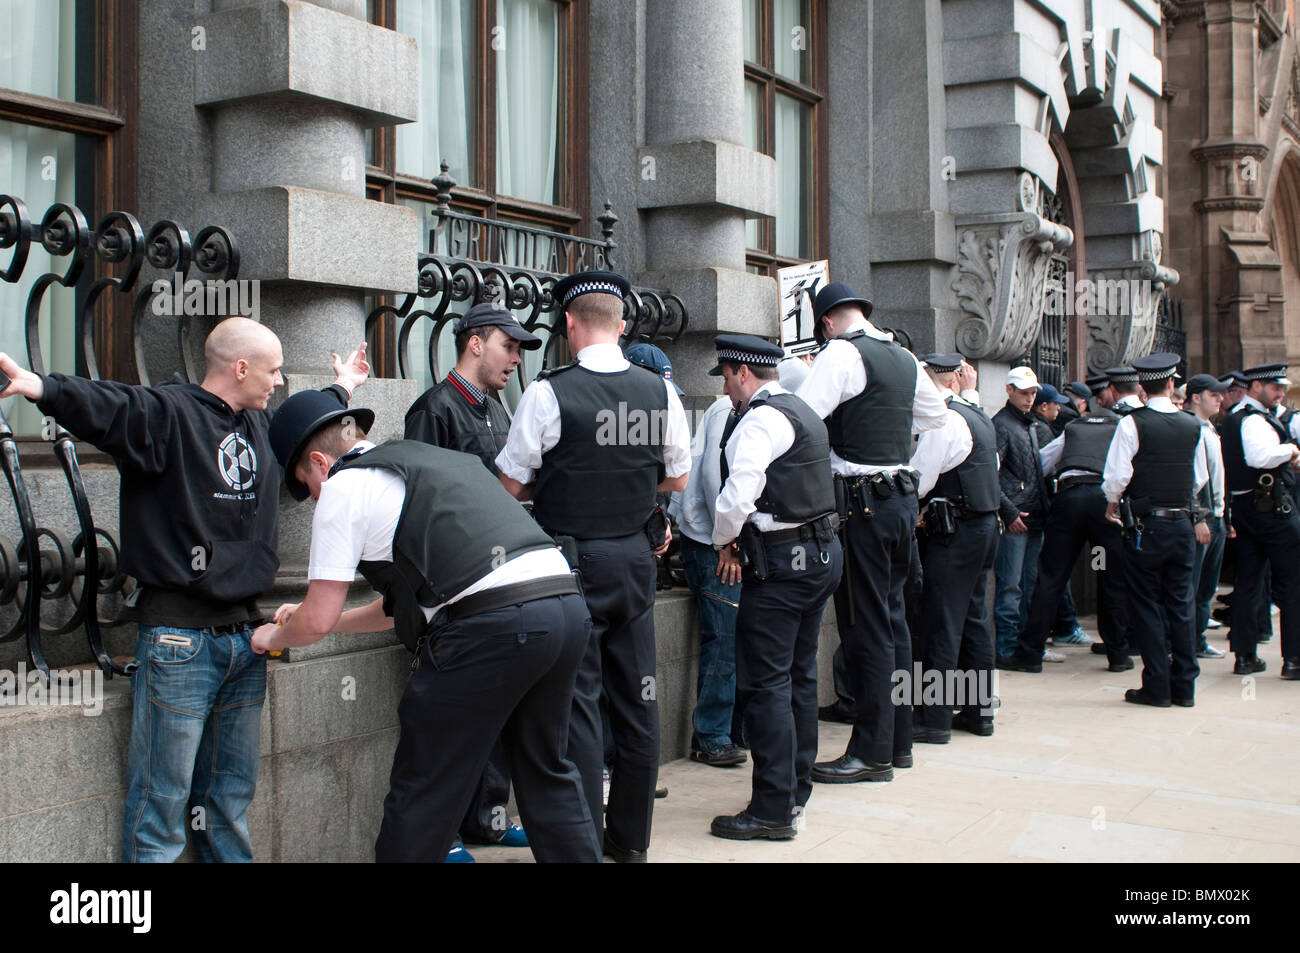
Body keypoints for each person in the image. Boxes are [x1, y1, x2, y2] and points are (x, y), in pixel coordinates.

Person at [0, 319, 369, 862]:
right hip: (179, 644)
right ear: (240, 368)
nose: (280, 379)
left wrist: (344, 389)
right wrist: (41, 387)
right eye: (272, 370)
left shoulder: (260, 428)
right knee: (161, 808)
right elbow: (111, 405)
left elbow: (306, 424)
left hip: (247, 642)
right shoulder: (166, 414)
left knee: (228, 802)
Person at [255, 392, 599, 862]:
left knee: (426, 789)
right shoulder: (433, 462)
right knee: (548, 770)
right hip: (562, 604)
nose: (315, 497)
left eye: (306, 484)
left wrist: (271, 636)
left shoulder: (343, 486)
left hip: (490, 626)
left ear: (319, 460)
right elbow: (398, 607)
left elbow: (316, 618)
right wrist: (320, 620)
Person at [495, 269, 691, 861]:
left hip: (570, 561)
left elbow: (509, 485)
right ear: (624, 326)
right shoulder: (660, 391)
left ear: (571, 324)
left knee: (577, 706)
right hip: (635, 559)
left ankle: (582, 845)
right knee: (638, 702)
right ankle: (630, 847)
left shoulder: (548, 392)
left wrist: (564, 482)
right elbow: (677, 475)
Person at [402, 299, 540, 860]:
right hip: (454, 588)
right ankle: (447, 834)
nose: (515, 360)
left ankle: (487, 817)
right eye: (510, 346)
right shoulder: (434, 409)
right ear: (476, 342)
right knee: (452, 719)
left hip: (501, 580)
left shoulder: (497, 407)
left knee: (498, 711)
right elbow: (420, 503)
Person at [795, 282, 948, 784]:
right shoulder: (902, 356)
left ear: (826, 322)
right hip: (900, 499)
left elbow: (803, 417)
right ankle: (898, 741)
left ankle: (872, 751)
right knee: (895, 622)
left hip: (861, 503)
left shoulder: (841, 352)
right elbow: (937, 416)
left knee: (865, 628)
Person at [705, 335, 842, 839]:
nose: (726, 387)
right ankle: (795, 788)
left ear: (743, 373)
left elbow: (738, 493)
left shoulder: (761, 419)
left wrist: (724, 541)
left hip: (782, 565)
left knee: (766, 685)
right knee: (798, 677)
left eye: (725, 375)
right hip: (820, 555)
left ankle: (771, 809)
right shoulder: (803, 411)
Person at [999, 383, 1134, 674]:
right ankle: (1118, 653)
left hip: (1070, 505)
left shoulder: (1073, 429)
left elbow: (1043, 462)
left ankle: (1031, 652)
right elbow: (1127, 469)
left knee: (1052, 577)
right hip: (1102, 509)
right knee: (1107, 576)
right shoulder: (1122, 427)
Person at [1101, 353, 1211, 707]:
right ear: (1170, 383)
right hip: (1181, 524)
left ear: (1144, 388)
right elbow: (1200, 478)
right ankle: (1185, 687)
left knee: (1146, 605)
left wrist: (1113, 501)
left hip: (1146, 527)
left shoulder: (1132, 423)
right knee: (1182, 604)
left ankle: (1157, 687)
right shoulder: (1194, 425)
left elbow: (1117, 475)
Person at [909, 355, 1001, 742]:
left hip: (955, 531)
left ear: (942, 385)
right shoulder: (979, 416)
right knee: (976, 619)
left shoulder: (944, 419)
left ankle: (933, 719)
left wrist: (908, 505)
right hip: (983, 526)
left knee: (940, 623)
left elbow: (921, 478)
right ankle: (980, 713)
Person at [669, 385, 746, 768]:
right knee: (724, 639)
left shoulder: (735, 410)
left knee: (733, 638)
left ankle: (730, 728)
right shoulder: (723, 411)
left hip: (718, 539)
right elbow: (716, 480)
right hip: (714, 543)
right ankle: (711, 735)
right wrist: (727, 540)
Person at [1216, 362, 1300, 679]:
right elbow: (1259, 457)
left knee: (1249, 583)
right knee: (1292, 583)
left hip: (1248, 508)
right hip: (1272, 511)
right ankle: (1294, 659)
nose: (1281, 393)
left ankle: (1245, 656)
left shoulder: (1240, 418)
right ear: (1255, 387)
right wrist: (1289, 449)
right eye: (1275, 387)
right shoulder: (1252, 419)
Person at [992, 366, 1055, 661]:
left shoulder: (1030, 424)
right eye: (1024, 393)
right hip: (1017, 518)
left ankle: (1027, 646)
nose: (1030, 398)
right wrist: (1009, 512)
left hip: (1034, 515)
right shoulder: (1002, 424)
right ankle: (1006, 648)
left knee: (1028, 585)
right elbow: (991, 475)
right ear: (1009, 391)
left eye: (1033, 393)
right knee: (1011, 586)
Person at [1185, 373, 1230, 660]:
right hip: (1201, 518)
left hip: (1216, 515)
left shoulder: (1209, 429)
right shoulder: (1189, 428)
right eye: (1215, 394)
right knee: (1192, 585)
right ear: (1197, 397)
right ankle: (1186, 643)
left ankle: (1197, 639)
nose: (1221, 399)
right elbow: (1191, 480)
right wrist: (1199, 517)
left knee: (1206, 588)